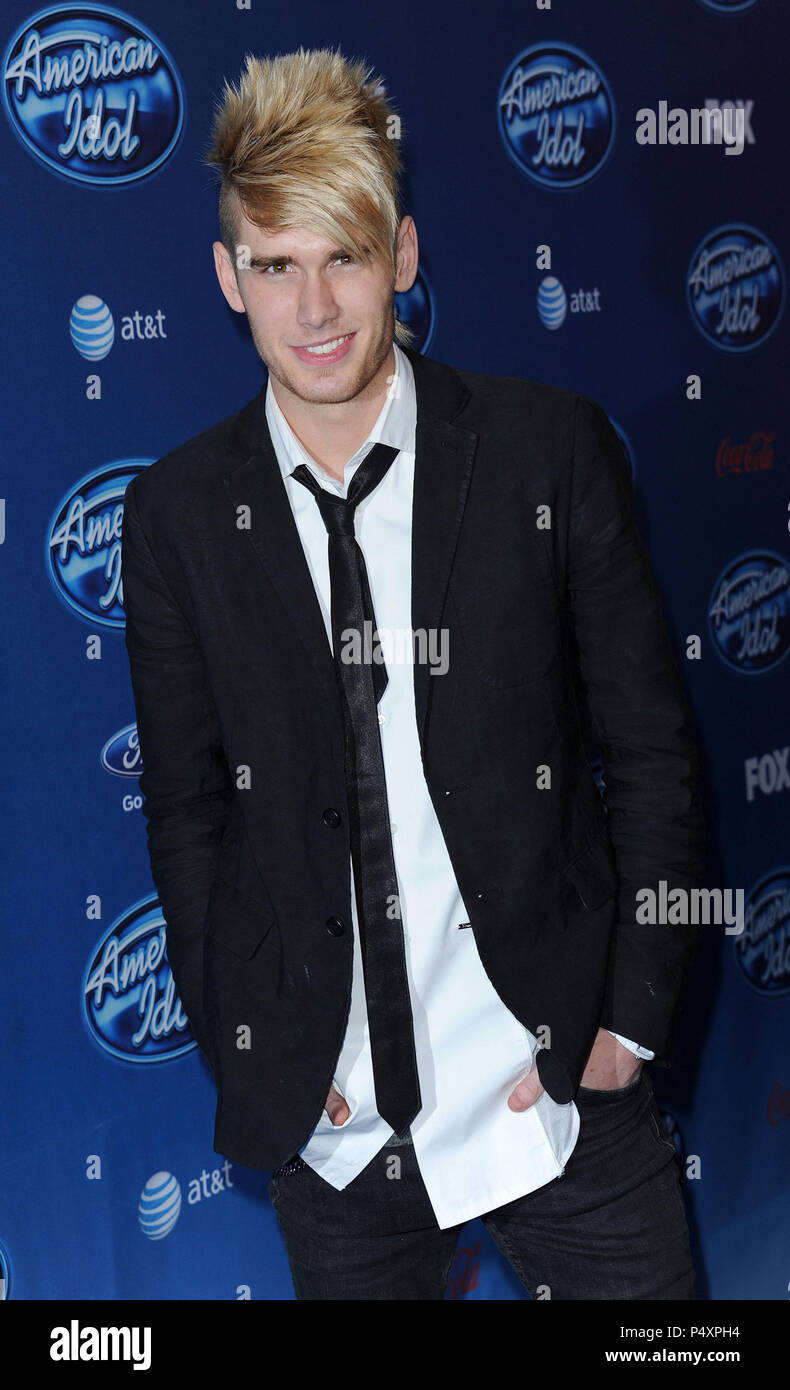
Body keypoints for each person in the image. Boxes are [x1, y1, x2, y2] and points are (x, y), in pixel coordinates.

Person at [121, 46, 706, 1301]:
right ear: (228, 279)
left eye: (345, 255)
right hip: (335, 1137)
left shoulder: (547, 453)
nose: (316, 307)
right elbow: (188, 815)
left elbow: (651, 749)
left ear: (405, 253)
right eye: (277, 264)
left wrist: (627, 1022)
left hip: (557, 1089)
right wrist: (257, 1047)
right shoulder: (175, 516)